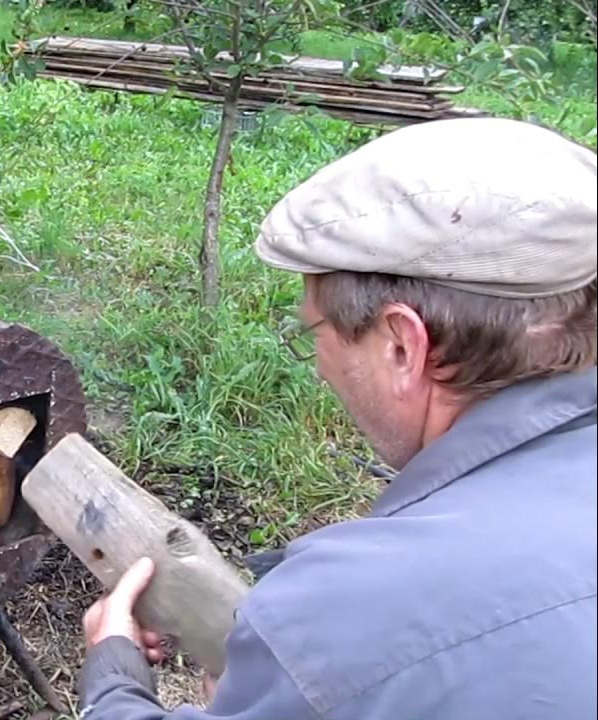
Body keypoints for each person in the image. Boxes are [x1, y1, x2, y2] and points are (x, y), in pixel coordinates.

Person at [77, 117, 597, 720]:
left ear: (402, 346)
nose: (320, 368)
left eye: (315, 333)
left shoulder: (344, 617)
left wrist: (114, 681)